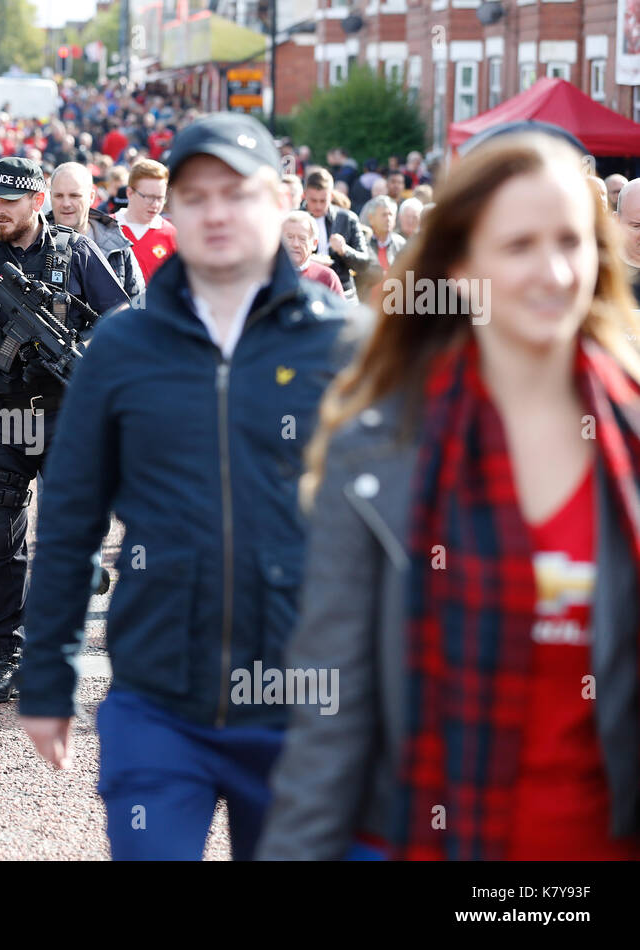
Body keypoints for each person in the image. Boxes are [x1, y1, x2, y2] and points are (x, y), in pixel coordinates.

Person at [258, 132, 640, 861]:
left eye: (572, 241)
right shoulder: (377, 449)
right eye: (519, 245)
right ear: (461, 268)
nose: (554, 270)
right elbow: (330, 708)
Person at [14, 114, 349, 861]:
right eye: (194, 196)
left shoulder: (343, 344)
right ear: (172, 211)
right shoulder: (123, 348)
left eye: (237, 193)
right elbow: (70, 518)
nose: (216, 212)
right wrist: (46, 674)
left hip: (303, 705)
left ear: (277, 200)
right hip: (159, 697)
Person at [0, 156, 129, 704]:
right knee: (1, 539)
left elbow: (123, 320)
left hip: (66, 411)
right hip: (0, 415)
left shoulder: (75, 250)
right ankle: (6, 654)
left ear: (36, 201)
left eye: (9, 201)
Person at [48, 162, 144, 304]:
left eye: (75, 195)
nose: (66, 203)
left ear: (91, 196)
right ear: (50, 196)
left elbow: (138, 304)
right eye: (59, 196)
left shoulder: (118, 246)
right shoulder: (31, 240)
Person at [301, 167, 372, 302]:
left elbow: (365, 264)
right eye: (313, 200)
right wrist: (307, 260)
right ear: (304, 195)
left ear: (331, 196)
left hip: (343, 293)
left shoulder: (347, 218)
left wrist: (344, 250)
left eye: (323, 200)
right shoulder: (295, 218)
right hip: (306, 292)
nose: (318, 206)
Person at [116, 159, 177, 283]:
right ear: (129, 193)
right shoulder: (106, 228)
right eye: (148, 197)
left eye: (160, 198)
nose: (155, 205)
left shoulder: (172, 234)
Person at [282, 210, 343, 296]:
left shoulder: (327, 277)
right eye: (290, 237)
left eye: (302, 238)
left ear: (314, 243)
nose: (295, 244)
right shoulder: (266, 275)